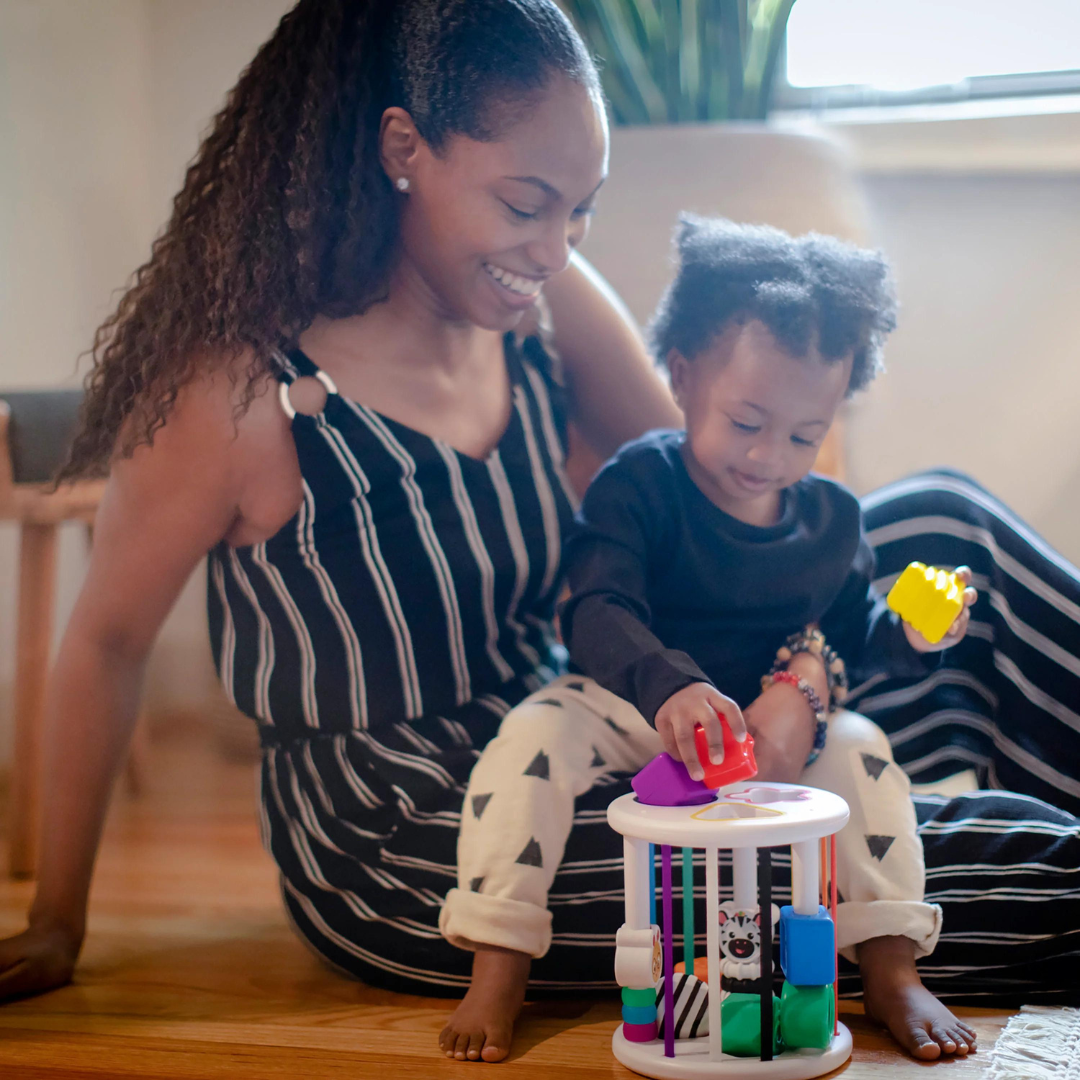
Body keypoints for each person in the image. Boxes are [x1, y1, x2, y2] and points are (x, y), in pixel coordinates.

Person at [0, 0, 1076, 1070]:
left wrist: (805, 671)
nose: (556, 248)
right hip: (419, 839)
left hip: (593, 718)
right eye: (526, 203)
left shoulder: (537, 303)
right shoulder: (239, 396)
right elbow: (105, 644)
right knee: (966, 870)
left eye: (582, 212)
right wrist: (59, 920)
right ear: (402, 150)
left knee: (946, 526)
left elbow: (716, 509)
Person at [444, 216, 981, 1061]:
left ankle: (889, 963)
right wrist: (668, 683)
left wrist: (913, 634)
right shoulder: (641, 484)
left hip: (769, 734)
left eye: (805, 435)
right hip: (635, 704)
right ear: (685, 379)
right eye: (746, 422)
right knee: (533, 735)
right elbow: (595, 608)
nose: (771, 456)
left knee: (865, 750)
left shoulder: (834, 520)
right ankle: (498, 961)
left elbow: (848, 638)